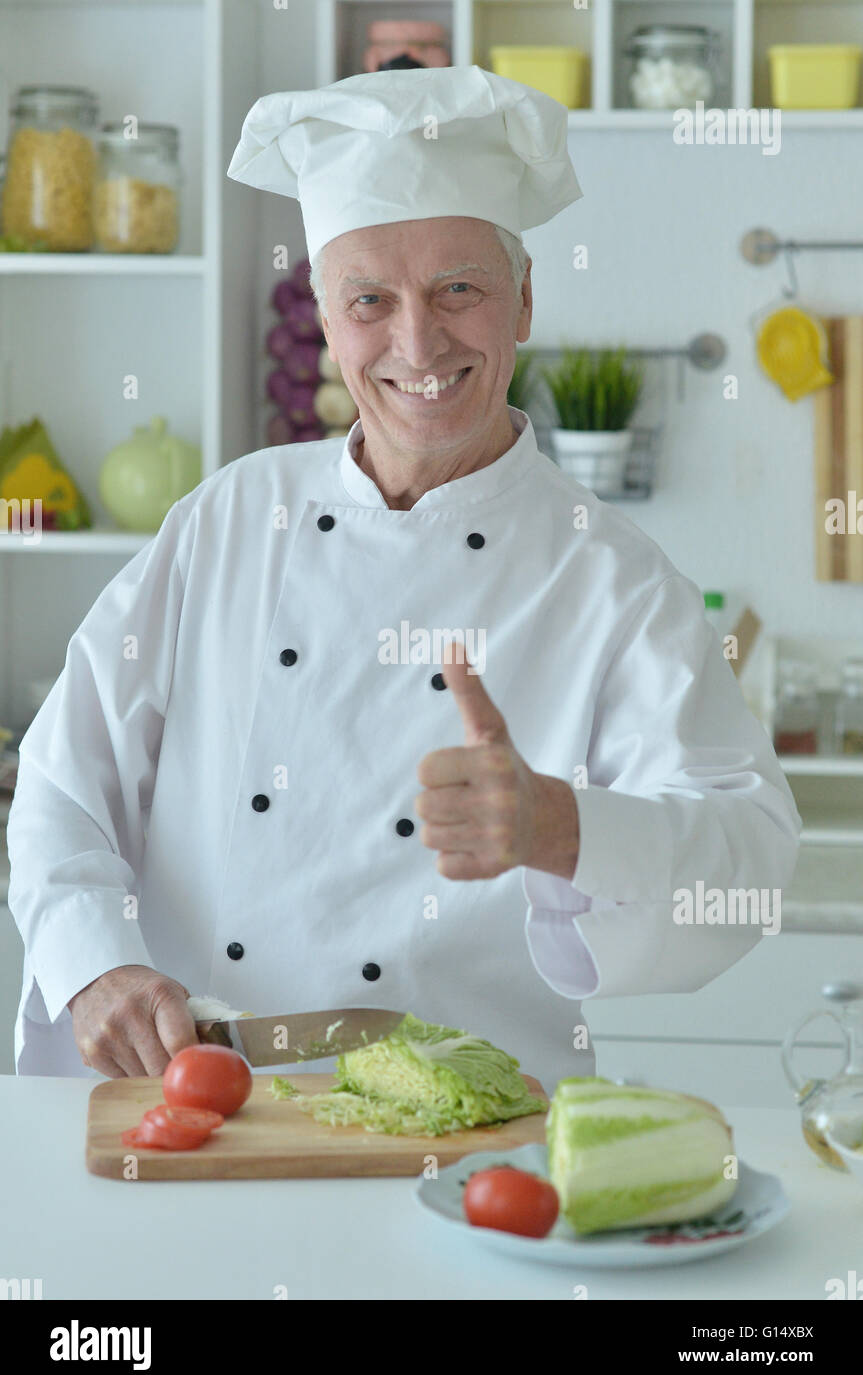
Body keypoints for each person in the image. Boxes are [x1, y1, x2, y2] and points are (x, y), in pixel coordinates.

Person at [7, 66, 800, 1087]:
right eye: (369, 300)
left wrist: (563, 826)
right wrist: (93, 966)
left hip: (472, 1137)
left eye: (457, 290)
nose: (417, 342)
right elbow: (66, 777)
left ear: (521, 301)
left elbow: (751, 852)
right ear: (329, 327)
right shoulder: (229, 519)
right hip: (198, 1113)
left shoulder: (610, 579)